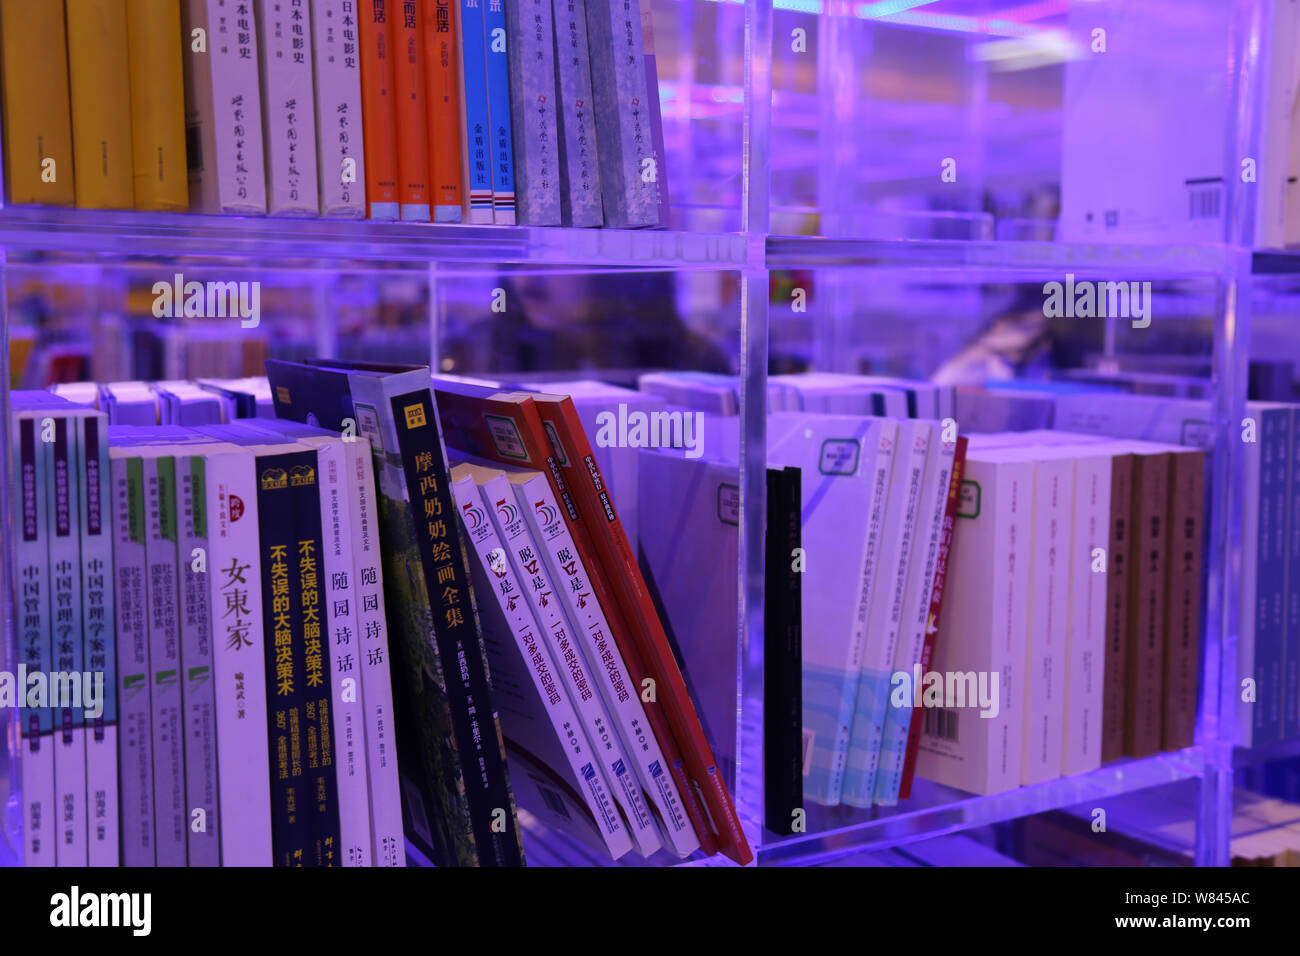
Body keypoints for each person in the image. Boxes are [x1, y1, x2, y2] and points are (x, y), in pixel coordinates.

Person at [439, 270, 732, 377]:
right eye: (523, 257)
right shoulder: (482, 351)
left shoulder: (699, 362)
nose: (527, 279)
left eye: (550, 257)